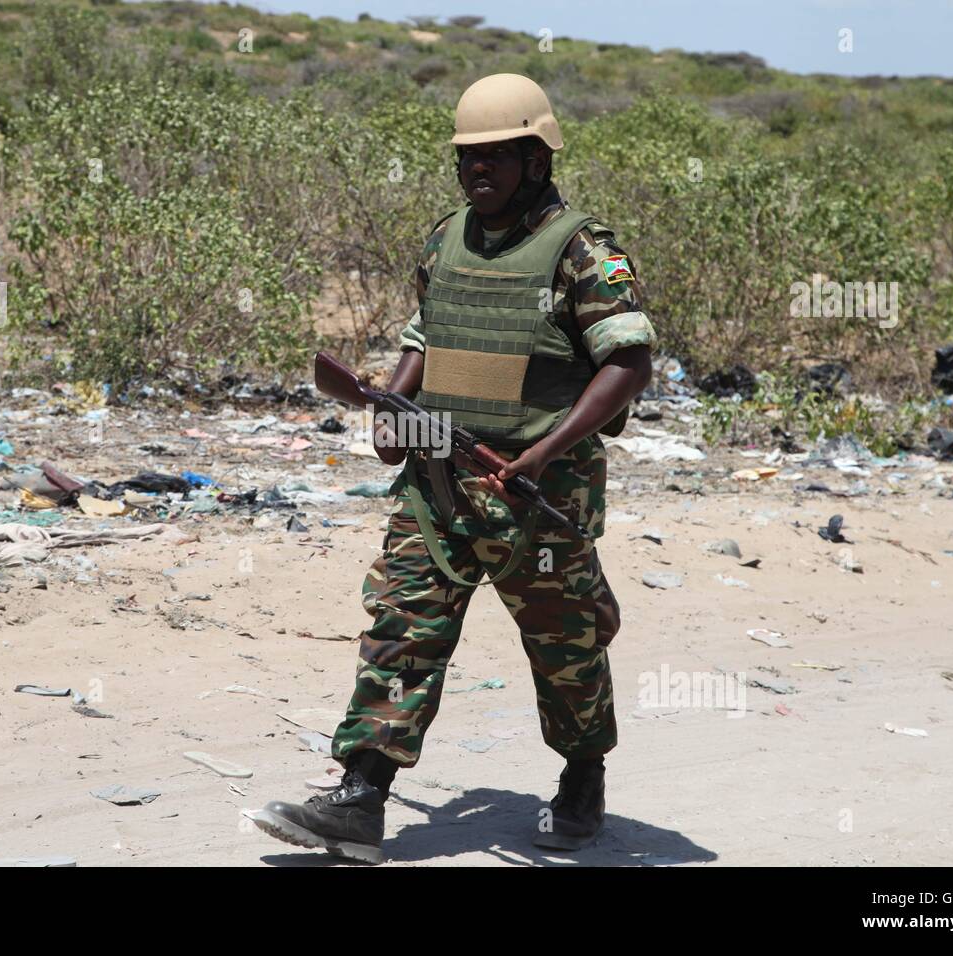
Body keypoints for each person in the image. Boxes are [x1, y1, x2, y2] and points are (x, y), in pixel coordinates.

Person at [251, 73, 656, 864]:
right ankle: (361, 796)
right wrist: (391, 409)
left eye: (496, 157)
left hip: (538, 495)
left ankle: (582, 774)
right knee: (402, 631)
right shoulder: (447, 239)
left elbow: (628, 364)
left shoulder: (583, 250)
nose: (478, 171)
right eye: (467, 158)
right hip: (437, 487)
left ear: (537, 160)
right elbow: (423, 336)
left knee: (565, 646)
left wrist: (541, 451)